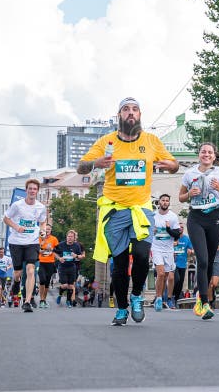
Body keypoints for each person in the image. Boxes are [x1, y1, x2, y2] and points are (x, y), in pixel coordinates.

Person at [78, 97, 179, 326]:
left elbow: (174, 164)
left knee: (143, 255)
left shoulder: (151, 141)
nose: (130, 113)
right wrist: (97, 163)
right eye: (126, 109)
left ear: (140, 115)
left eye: (134, 109)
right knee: (120, 264)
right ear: (119, 116)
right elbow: (80, 166)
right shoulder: (106, 141)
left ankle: (136, 297)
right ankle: (122, 308)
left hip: (141, 208)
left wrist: (168, 165)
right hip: (114, 210)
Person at [180, 142, 219, 320]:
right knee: (203, 261)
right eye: (203, 152)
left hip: (215, 219)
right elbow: (181, 197)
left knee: (210, 261)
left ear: (214, 156)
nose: (206, 154)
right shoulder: (190, 173)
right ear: (199, 155)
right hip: (196, 219)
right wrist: (190, 194)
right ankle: (204, 303)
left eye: (209, 152)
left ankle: (201, 295)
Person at [3, 178, 48, 313]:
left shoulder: (41, 207)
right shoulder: (17, 205)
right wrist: (16, 227)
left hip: (32, 242)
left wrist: (43, 230)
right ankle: (16, 282)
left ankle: (27, 301)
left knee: (30, 270)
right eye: (30, 189)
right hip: (16, 242)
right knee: (18, 273)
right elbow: (6, 218)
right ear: (26, 190)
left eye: (35, 189)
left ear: (37, 191)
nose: (32, 191)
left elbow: (42, 222)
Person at [150, 194, 181, 312]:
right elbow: (146, 230)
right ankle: (158, 298)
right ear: (159, 202)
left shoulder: (172, 217)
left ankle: (161, 297)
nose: (165, 202)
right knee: (161, 274)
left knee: (166, 276)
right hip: (156, 248)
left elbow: (177, 234)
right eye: (163, 200)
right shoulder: (153, 215)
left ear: (169, 203)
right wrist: (151, 231)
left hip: (169, 250)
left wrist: (168, 229)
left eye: (167, 201)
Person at [54, 230, 85, 308]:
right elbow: (54, 252)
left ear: (74, 238)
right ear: (66, 237)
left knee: (71, 286)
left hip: (72, 267)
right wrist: (59, 258)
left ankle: (68, 301)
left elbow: (81, 256)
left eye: (71, 237)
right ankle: (60, 294)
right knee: (64, 285)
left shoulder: (76, 246)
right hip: (62, 267)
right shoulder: (61, 244)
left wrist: (76, 256)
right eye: (68, 236)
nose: (69, 238)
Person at [171, 220, 194, 308]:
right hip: (173, 263)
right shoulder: (172, 237)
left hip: (183, 264)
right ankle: (171, 296)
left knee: (180, 283)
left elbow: (191, 250)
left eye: (182, 228)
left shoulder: (186, 238)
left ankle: (176, 299)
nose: (180, 229)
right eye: (179, 227)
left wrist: (190, 251)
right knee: (176, 279)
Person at [38, 224, 59, 309]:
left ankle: (44, 300)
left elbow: (58, 250)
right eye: (45, 229)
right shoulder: (39, 238)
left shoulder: (54, 239)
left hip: (50, 263)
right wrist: (41, 247)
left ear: (51, 230)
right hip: (41, 262)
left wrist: (52, 249)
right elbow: (35, 249)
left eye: (49, 229)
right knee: (42, 280)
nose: (47, 231)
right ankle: (41, 300)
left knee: (47, 282)